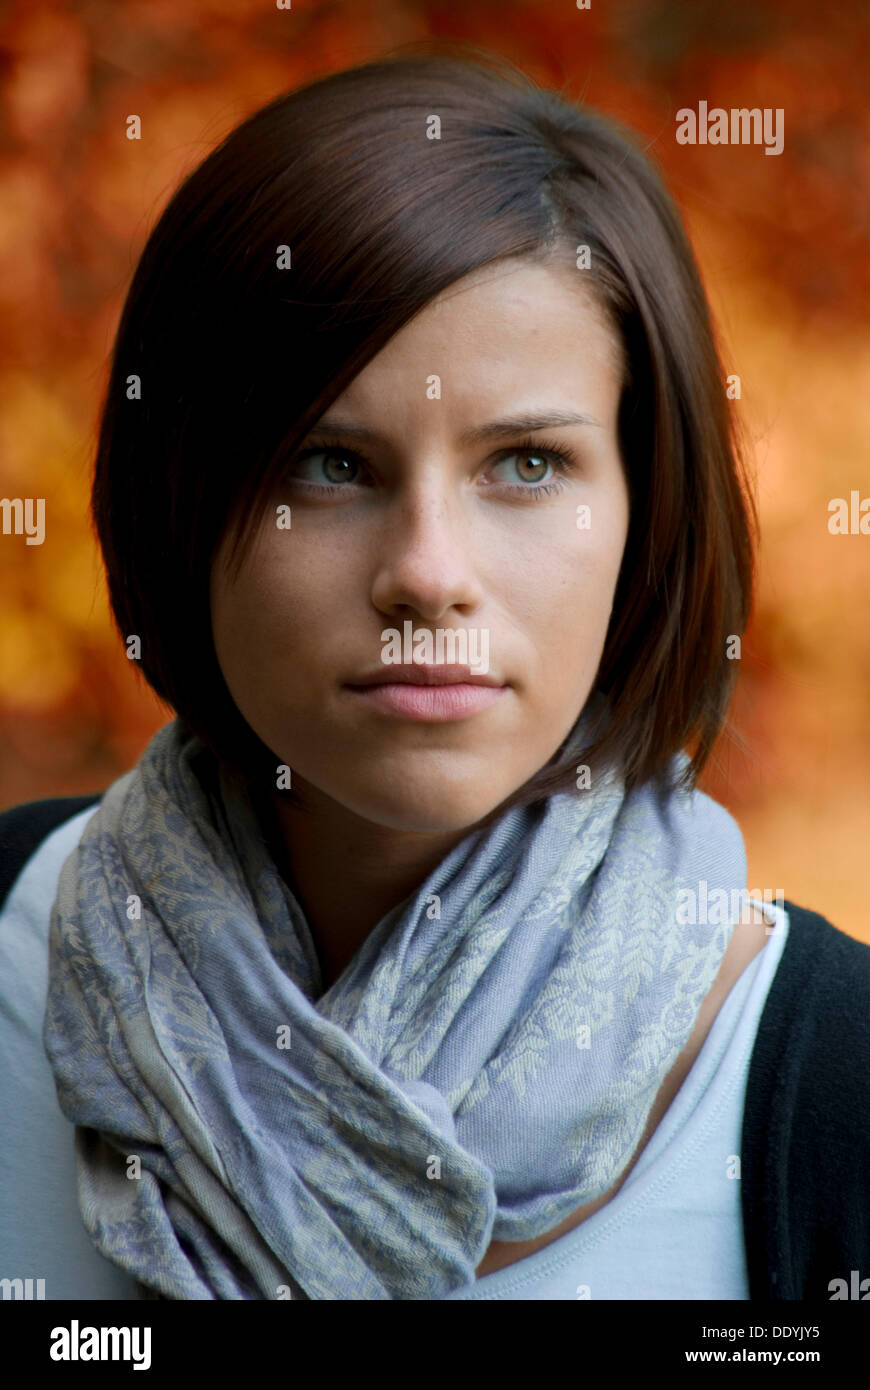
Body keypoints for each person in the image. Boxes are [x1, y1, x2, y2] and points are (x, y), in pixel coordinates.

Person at [1, 46, 868, 1303]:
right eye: (332, 466)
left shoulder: (829, 1095)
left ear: (647, 514)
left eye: (524, 465)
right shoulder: (12, 943)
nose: (427, 572)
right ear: (179, 503)